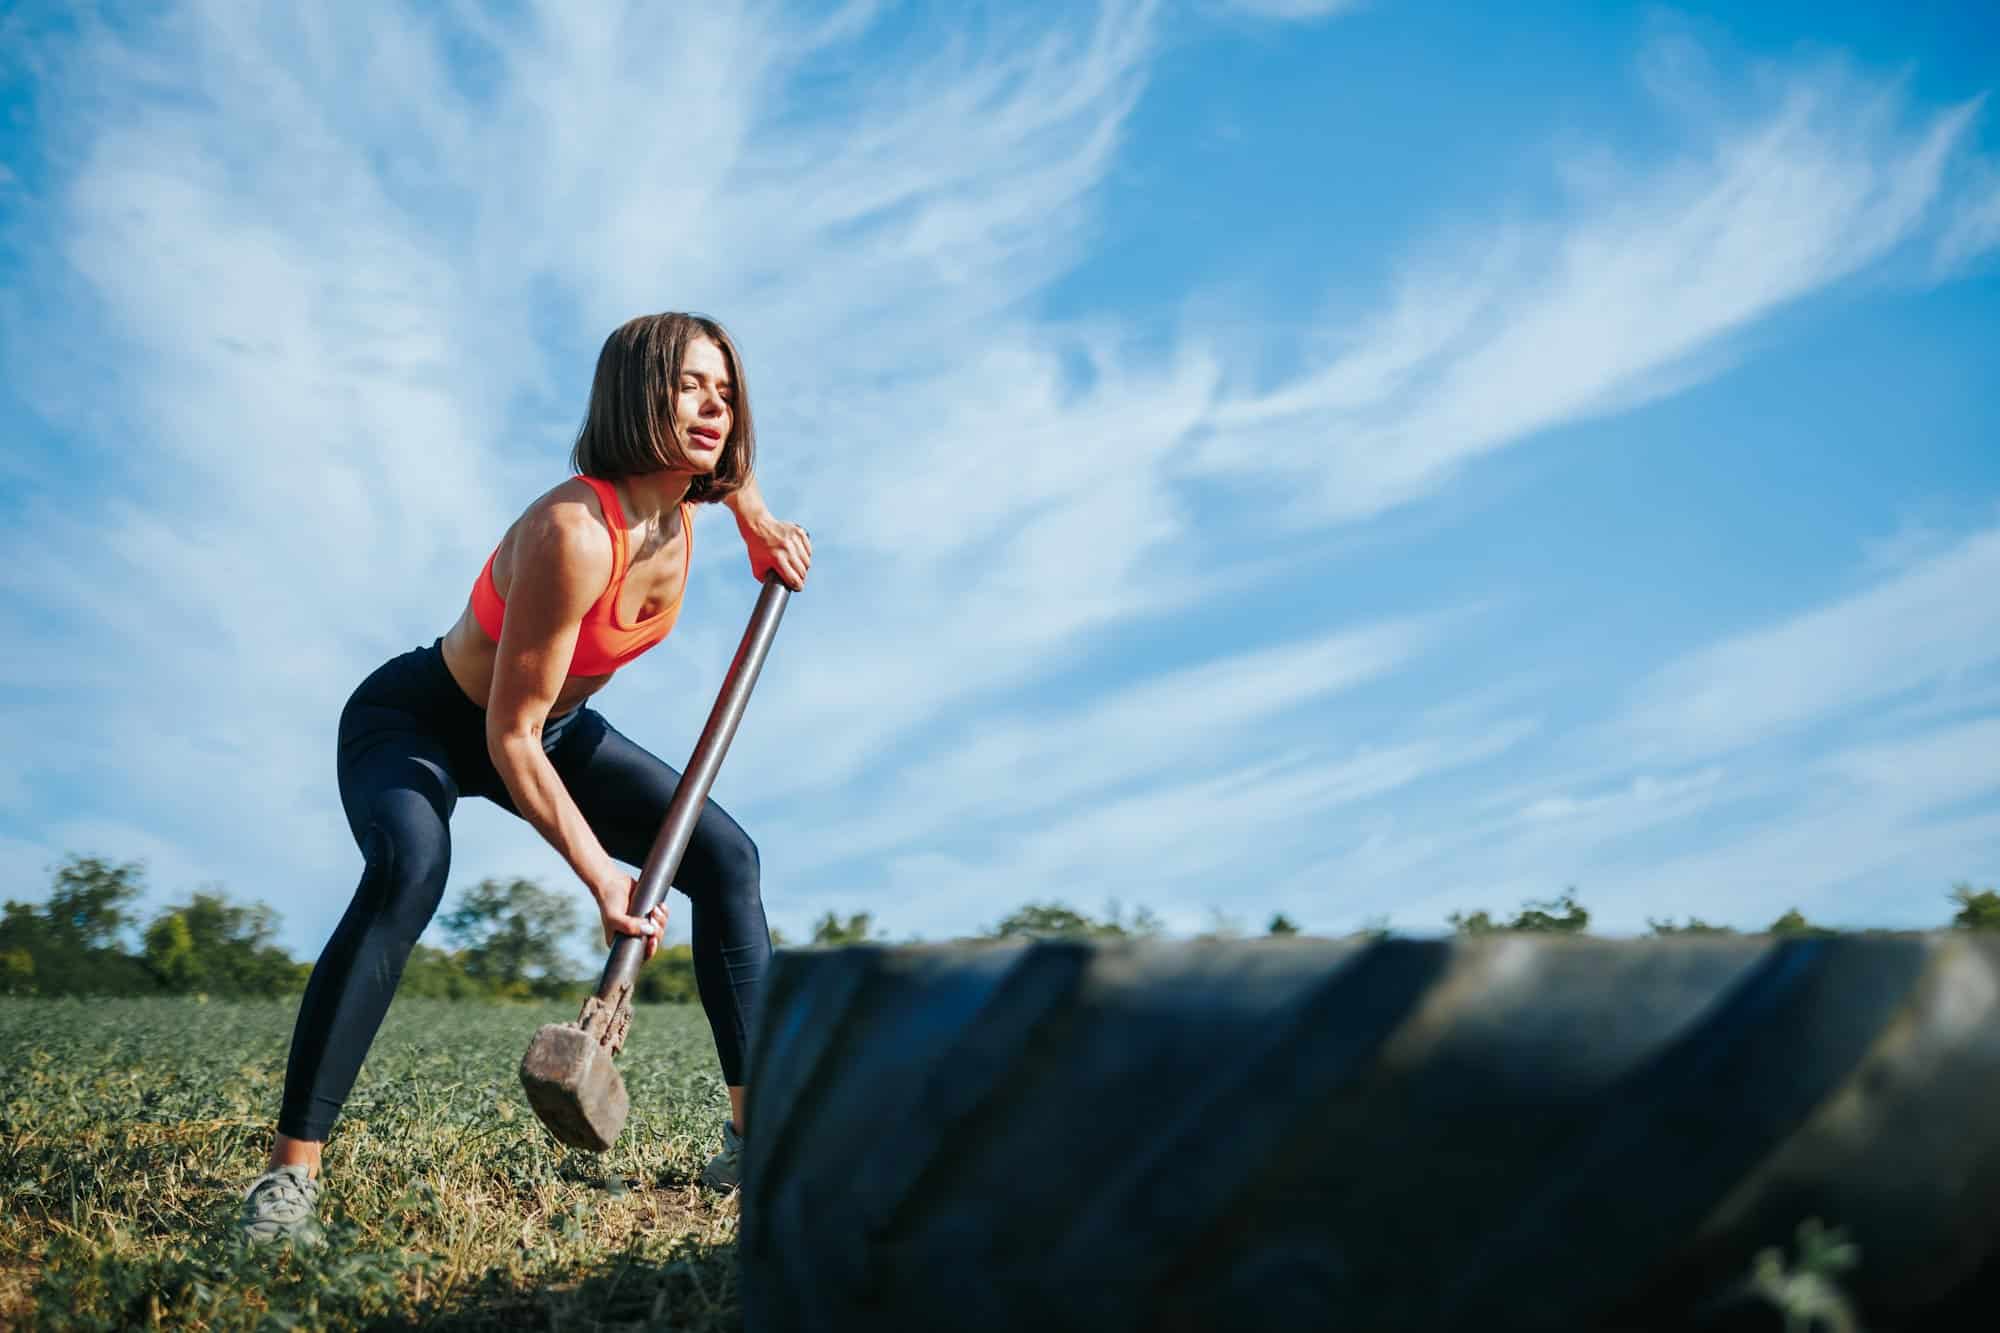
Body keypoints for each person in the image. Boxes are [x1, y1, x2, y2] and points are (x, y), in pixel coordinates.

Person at [238, 313, 811, 1245]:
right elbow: (509, 735)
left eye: (726, 390)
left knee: (725, 857)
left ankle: (755, 1141)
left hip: (557, 726)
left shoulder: (689, 502)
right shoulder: (577, 529)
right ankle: (287, 1180)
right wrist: (604, 878)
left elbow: (734, 476)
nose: (714, 408)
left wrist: (758, 526)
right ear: (637, 395)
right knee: (408, 870)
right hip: (426, 723)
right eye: (687, 387)